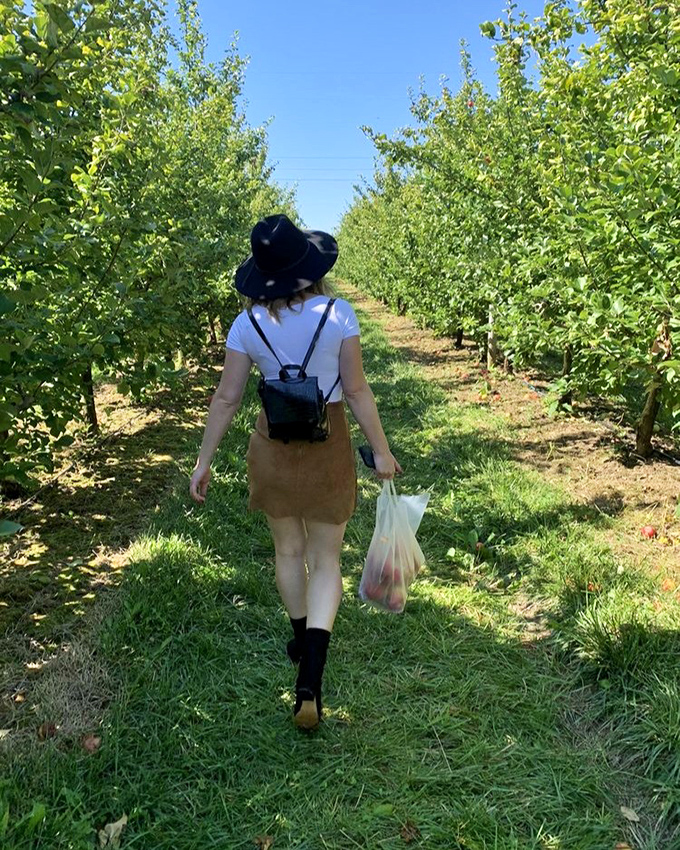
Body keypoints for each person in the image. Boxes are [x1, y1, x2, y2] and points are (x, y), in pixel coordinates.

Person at [189, 214, 401, 730]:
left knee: (288, 551)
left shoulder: (248, 325)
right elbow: (355, 391)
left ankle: (300, 637)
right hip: (327, 444)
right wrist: (382, 451)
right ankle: (312, 671)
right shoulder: (338, 314)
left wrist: (203, 460)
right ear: (308, 267)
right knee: (326, 559)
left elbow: (228, 397)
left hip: (273, 446)